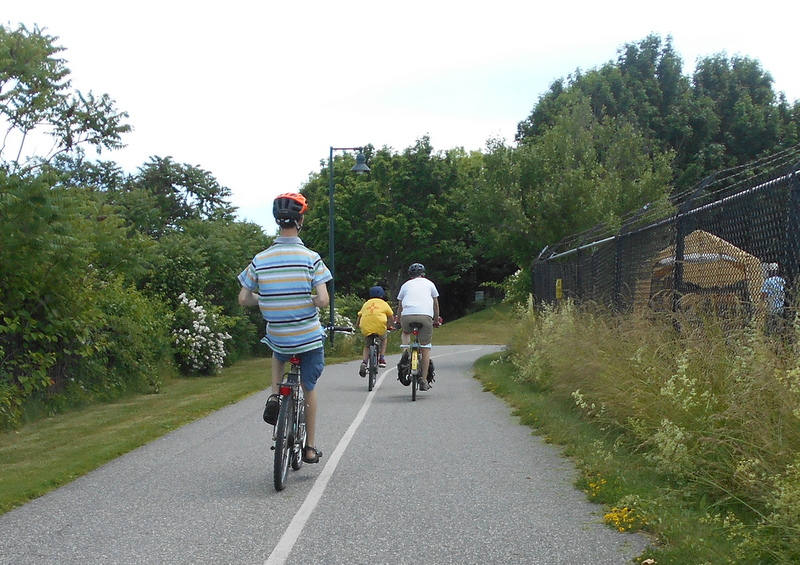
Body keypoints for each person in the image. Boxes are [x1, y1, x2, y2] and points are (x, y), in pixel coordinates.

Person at [237, 192, 332, 464]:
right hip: (308, 338)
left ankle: (275, 395)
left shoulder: (261, 259)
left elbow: (244, 299)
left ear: (277, 221)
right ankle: (310, 447)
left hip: (279, 337)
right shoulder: (311, 258)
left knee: (278, 349)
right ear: (300, 220)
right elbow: (323, 301)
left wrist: (265, 298)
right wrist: (307, 300)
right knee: (309, 386)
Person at [396, 263, 440, 391]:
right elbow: (435, 305)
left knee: (405, 332)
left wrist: (398, 320)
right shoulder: (430, 284)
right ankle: (424, 380)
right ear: (423, 274)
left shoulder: (405, 285)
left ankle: (405, 352)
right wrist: (436, 320)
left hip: (407, 316)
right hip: (425, 316)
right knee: (425, 347)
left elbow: (400, 306)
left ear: (410, 275)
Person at [355, 286, 394, 376]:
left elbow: (359, 316)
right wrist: (389, 326)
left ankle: (364, 362)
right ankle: (381, 358)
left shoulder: (366, 304)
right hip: (380, 326)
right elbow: (391, 317)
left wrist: (357, 326)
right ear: (382, 295)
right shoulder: (384, 304)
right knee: (383, 339)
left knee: (367, 346)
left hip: (366, 326)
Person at [761, 262, 786, 335]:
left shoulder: (768, 281)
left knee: (769, 328)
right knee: (779, 327)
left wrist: (760, 304)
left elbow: (763, 295)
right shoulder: (782, 280)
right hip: (781, 307)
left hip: (771, 308)